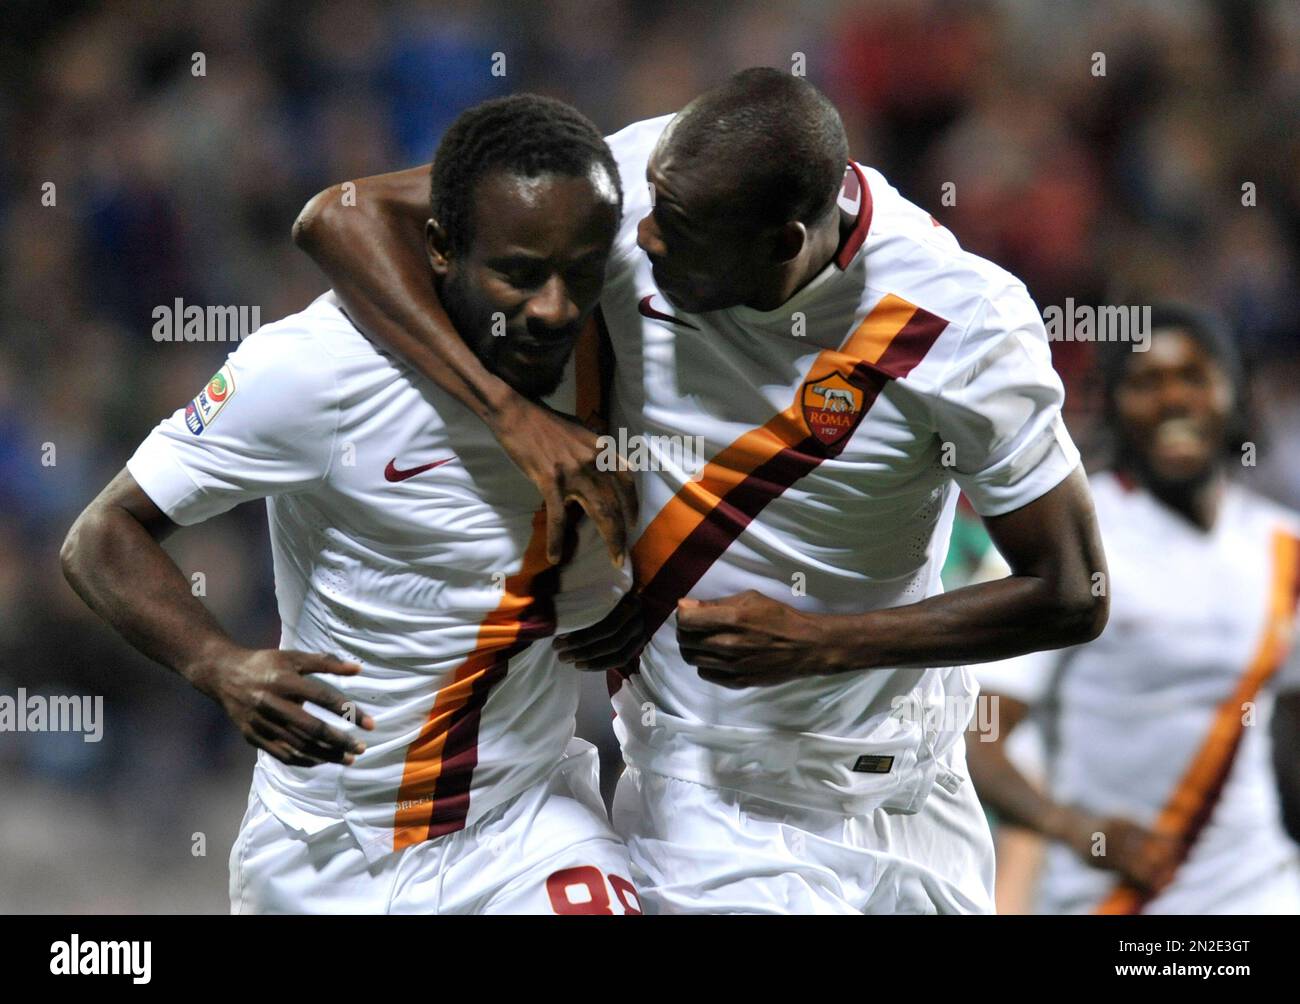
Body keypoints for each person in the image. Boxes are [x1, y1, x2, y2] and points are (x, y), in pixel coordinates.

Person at [294, 68, 1109, 914]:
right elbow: (342, 216)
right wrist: (509, 414)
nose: (641, 238)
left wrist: (824, 641)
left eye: (676, 228)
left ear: (783, 242)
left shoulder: (965, 323)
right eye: (651, 204)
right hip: (714, 796)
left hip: (920, 789)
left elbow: (1072, 593)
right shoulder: (634, 182)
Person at [60, 94, 643, 915]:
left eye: (576, 274)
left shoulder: (624, 345)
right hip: (323, 852)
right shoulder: (318, 371)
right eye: (517, 273)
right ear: (440, 248)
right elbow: (100, 535)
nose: (553, 305)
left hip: (524, 826)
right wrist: (217, 663)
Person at [968, 305, 1300, 914]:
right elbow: (977, 734)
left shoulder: (1284, 548)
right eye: (1145, 382)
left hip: (1261, 890)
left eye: (1194, 376)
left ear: (1233, 393)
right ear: (1115, 406)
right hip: (1114, 901)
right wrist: (1076, 830)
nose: (1173, 398)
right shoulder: (1069, 539)